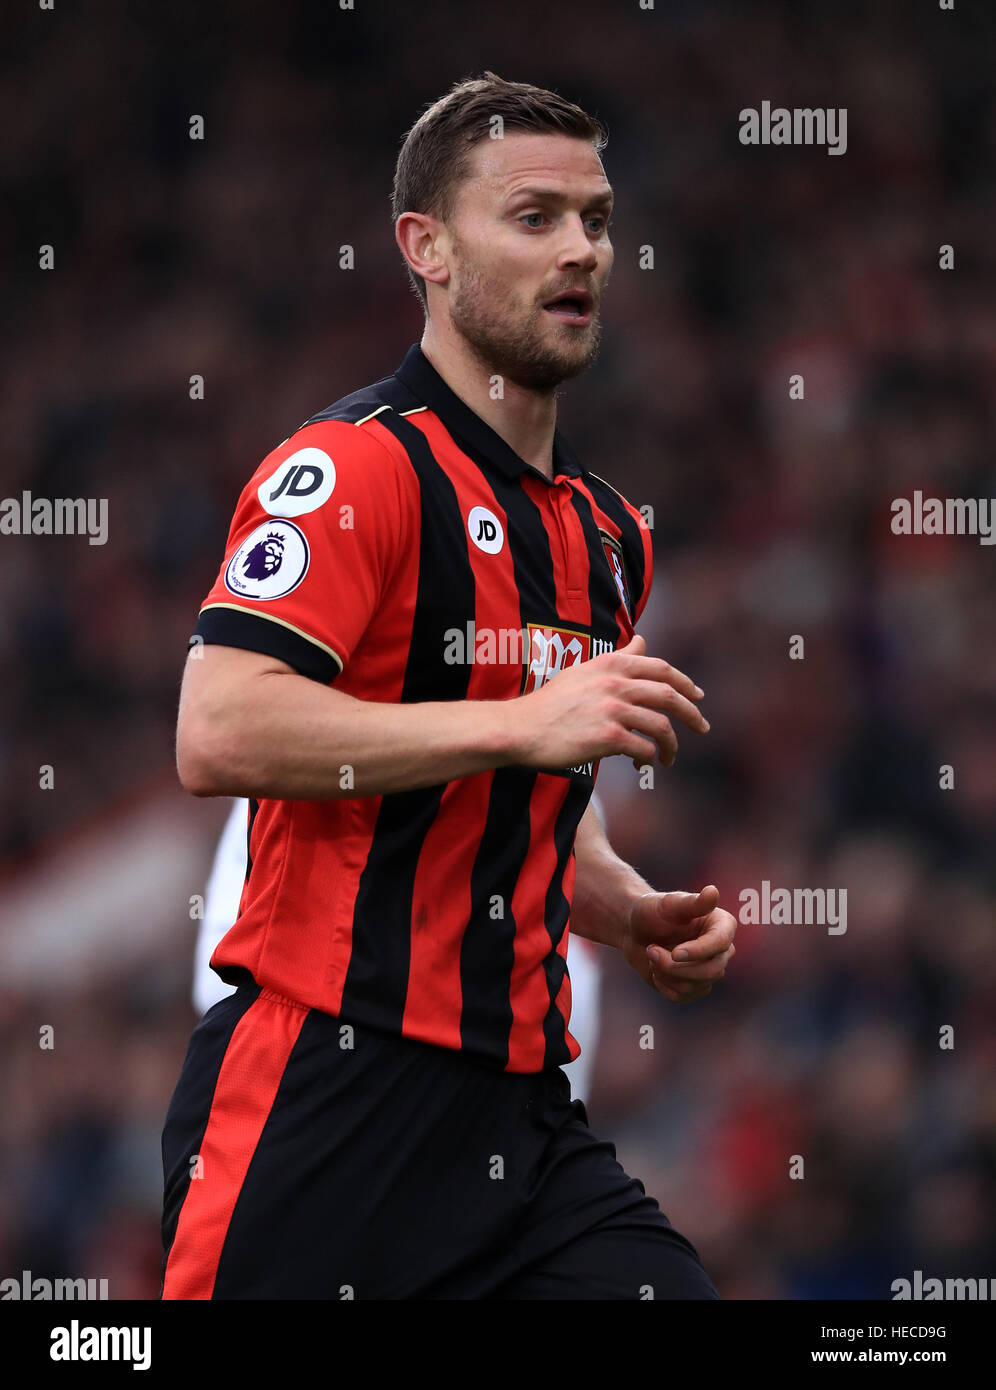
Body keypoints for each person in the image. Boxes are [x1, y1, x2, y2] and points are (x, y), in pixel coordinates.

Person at [162, 71, 736, 1300]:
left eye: (597, 218)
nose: (582, 248)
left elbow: (506, 805)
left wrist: (626, 909)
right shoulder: (352, 470)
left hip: (522, 1121)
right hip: (326, 1102)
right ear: (424, 248)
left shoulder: (607, 534)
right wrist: (525, 718)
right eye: (535, 217)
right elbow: (218, 726)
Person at [194, 797, 605, 1105]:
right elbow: (223, 983)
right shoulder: (321, 764)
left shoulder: (565, 798)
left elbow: (575, 1004)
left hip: (509, 1129)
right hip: (333, 1113)